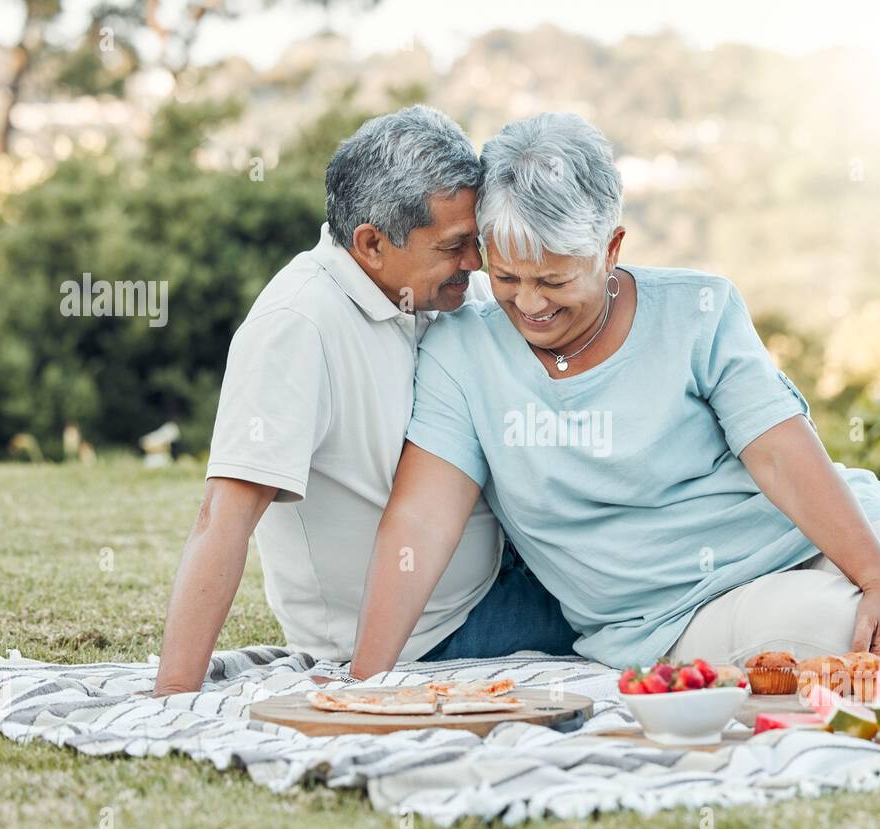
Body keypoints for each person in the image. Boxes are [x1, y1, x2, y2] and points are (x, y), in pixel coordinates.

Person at [349, 112, 880, 688]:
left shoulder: (700, 309)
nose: (528, 304)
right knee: (836, 633)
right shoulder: (463, 350)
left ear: (611, 249)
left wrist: (876, 575)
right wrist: (364, 684)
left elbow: (778, 450)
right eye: (507, 279)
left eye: (553, 281)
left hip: (815, 531)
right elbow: (422, 515)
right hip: (675, 615)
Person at [150, 106, 576, 696]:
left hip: (498, 577)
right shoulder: (297, 327)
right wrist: (173, 701)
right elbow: (222, 522)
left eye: (474, 241)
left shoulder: (438, 292)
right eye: (454, 246)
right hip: (429, 635)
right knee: (642, 608)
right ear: (371, 244)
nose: (475, 264)